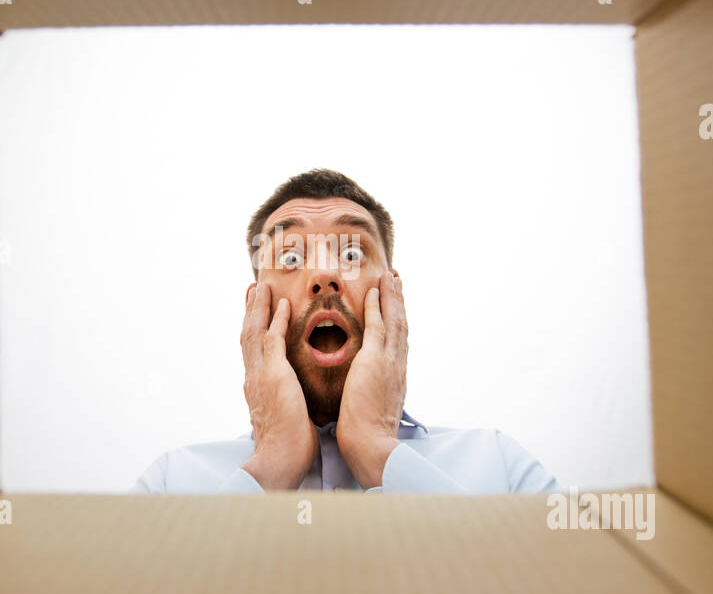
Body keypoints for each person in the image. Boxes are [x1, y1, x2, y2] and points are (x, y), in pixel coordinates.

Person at [131, 169, 560, 494]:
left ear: (393, 295)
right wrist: (271, 467)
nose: (323, 274)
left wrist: (377, 451)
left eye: (352, 252)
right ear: (254, 308)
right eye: (292, 258)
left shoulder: (498, 465)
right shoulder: (173, 482)